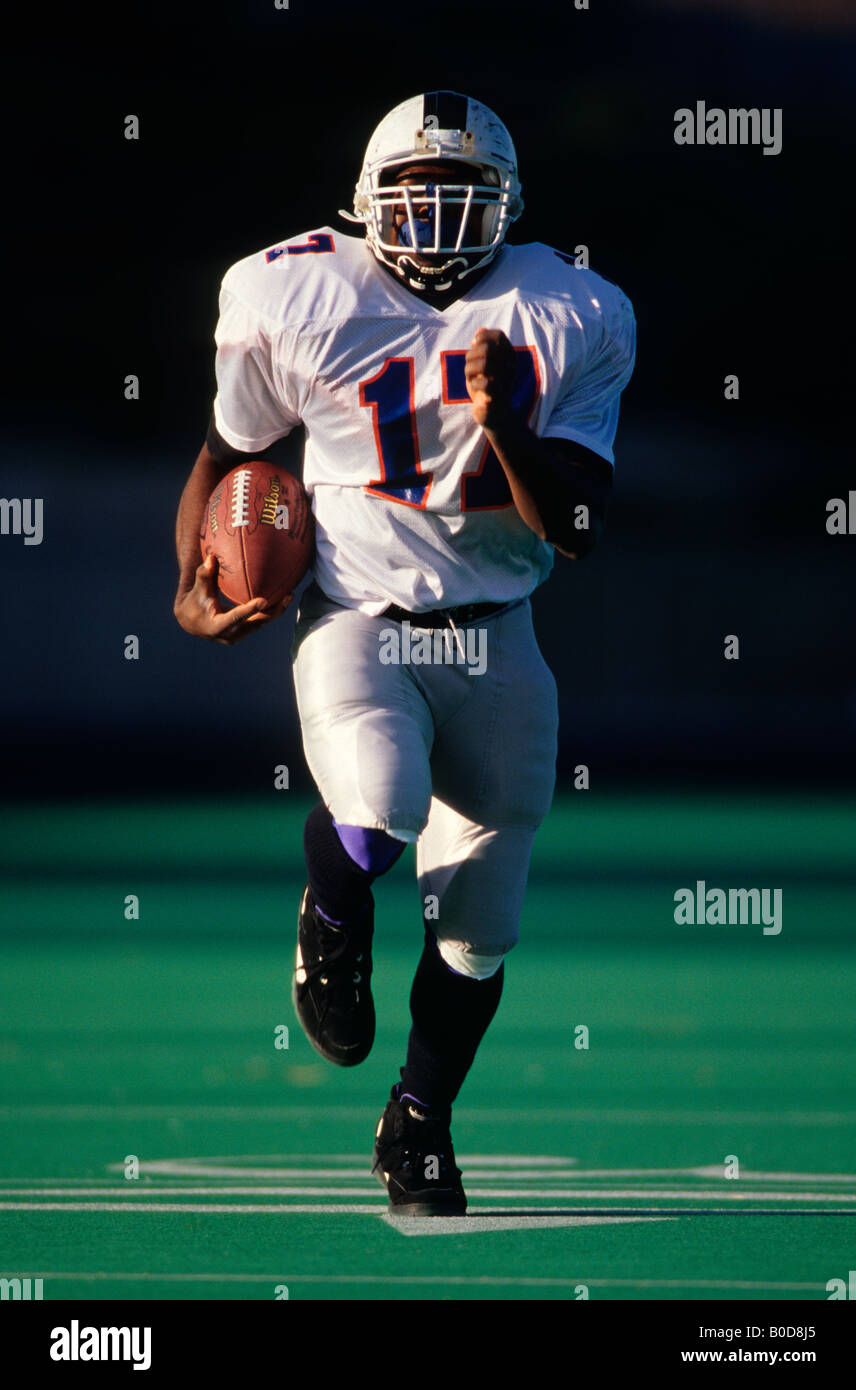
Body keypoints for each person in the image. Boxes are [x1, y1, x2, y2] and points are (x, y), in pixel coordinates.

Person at [173, 90, 635, 1217]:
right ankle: (330, 922)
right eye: (412, 196)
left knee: (479, 929)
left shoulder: (573, 308)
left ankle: (418, 1120)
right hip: (356, 619)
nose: (433, 219)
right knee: (374, 809)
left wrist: (508, 427)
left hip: (499, 632)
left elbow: (571, 527)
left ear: (508, 205)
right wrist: (192, 583)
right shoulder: (289, 286)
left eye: (459, 195)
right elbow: (233, 454)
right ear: (367, 202)